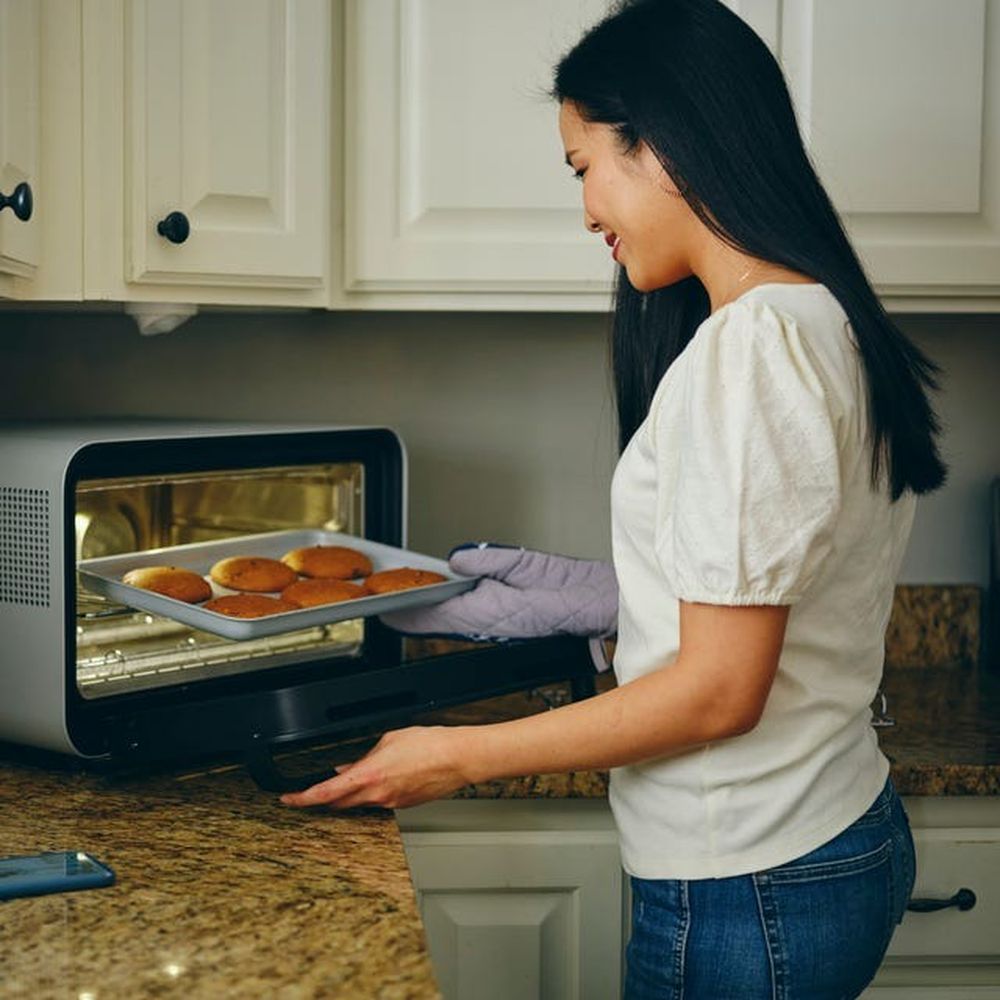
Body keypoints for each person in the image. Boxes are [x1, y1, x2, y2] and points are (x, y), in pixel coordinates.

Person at [282, 1, 947, 995]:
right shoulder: (820, 319)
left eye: (583, 167)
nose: (585, 209)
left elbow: (720, 691)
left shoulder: (753, 349)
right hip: (822, 832)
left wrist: (456, 754)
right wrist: (582, 597)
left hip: (749, 876)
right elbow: (775, 581)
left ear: (663, 145)